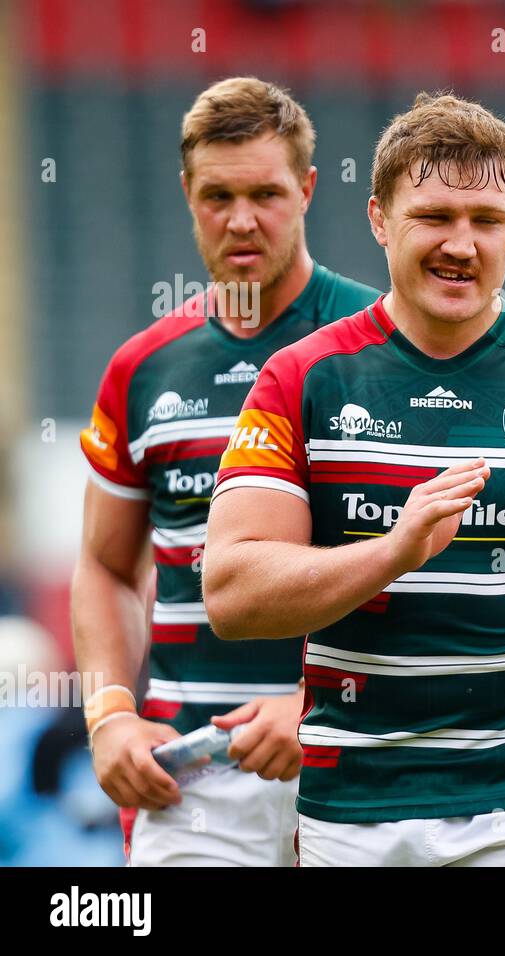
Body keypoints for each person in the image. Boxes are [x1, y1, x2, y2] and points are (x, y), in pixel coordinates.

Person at [202, 91, 505, 867]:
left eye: (486, 221)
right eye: (434, 216)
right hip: (354, 807)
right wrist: (392, 552)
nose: (462, 245)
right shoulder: (300, 379)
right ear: (379, 219)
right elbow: (232, 594)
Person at [72, 77, 381, 866]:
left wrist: (315, 703)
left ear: (308, 189)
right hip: (191, 776)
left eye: (265, 194)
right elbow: (106, 566)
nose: (241, 220)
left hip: (363, 761)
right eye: (217, 196)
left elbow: (439, 568)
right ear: (185, 193)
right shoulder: (141, 369)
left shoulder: (386, 350)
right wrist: (109, 715)